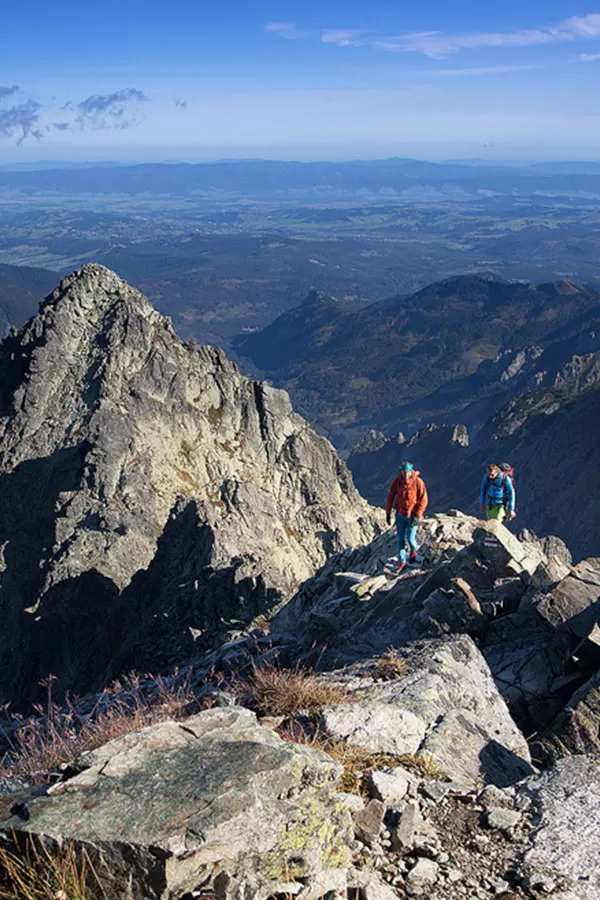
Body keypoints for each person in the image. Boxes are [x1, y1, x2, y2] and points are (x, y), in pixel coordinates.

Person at [386, 462, 428, 574]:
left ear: (411, 471)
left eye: (407, 472)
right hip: (400, 515)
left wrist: (418, 514)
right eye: (403, 472)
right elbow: (390, 497)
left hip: (413, 515)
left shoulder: (418, 482)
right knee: (400, 539)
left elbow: (423, 499)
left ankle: (414, 551)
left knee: (410, 538)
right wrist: (388, 513)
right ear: (400, 471)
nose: (405, 474)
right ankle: (402, 561)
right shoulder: (397, 482)